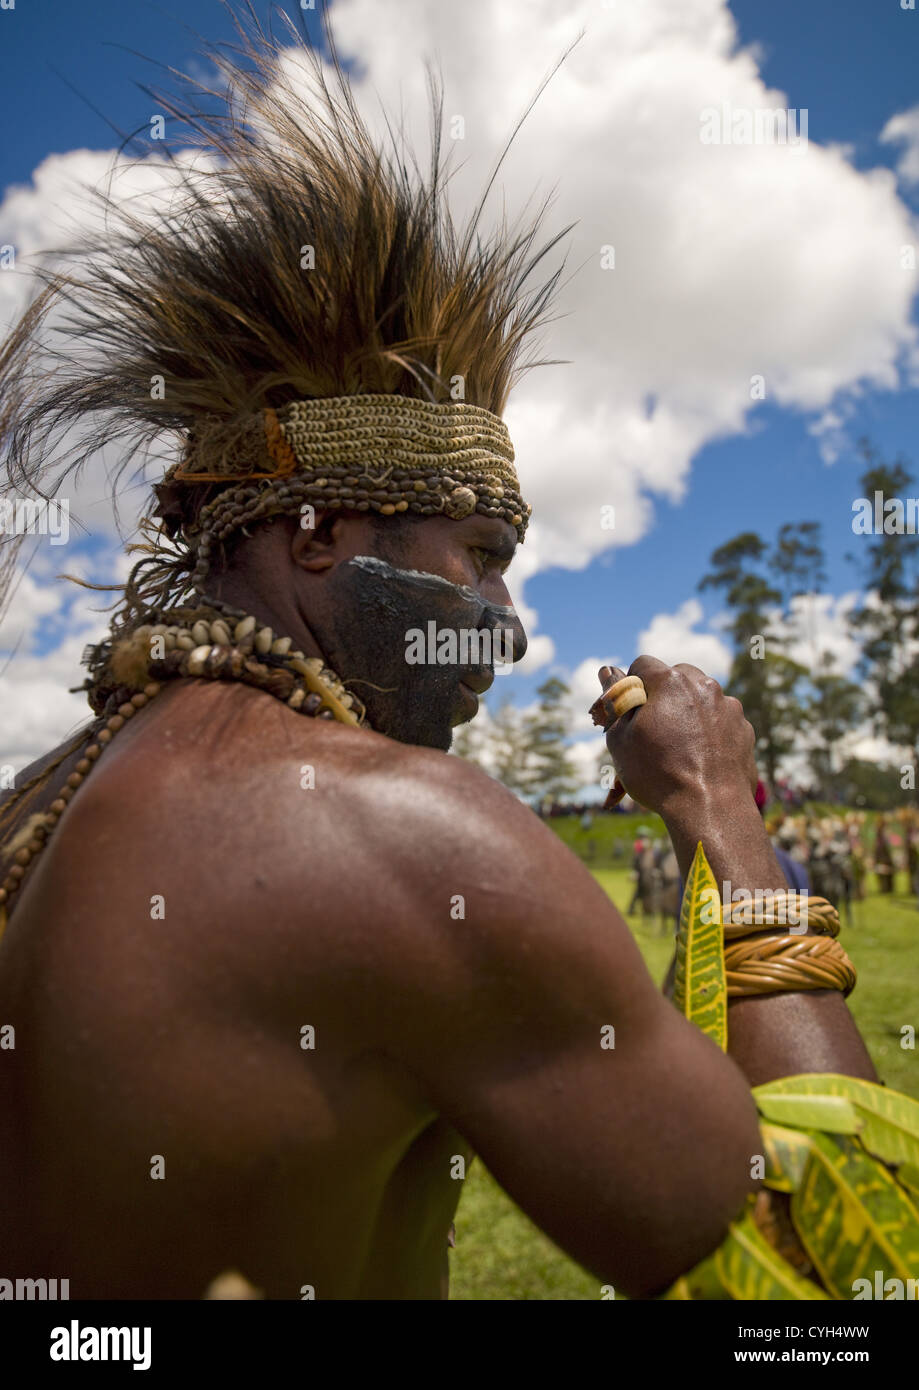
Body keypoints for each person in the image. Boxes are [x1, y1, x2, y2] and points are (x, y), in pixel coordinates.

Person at [0, 13, 876, 1301]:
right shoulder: (408, 837)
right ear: (312, 534)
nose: (511, 622)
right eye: (480, 551)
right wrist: (720, 815)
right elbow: (839, 1279)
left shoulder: (42, 802)